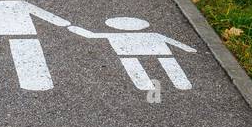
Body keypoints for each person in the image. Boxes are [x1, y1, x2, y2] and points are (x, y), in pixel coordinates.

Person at [66, 17, 196, 90]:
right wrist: (186, 48)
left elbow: (92, 35)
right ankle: (182, 84)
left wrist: (75, 29)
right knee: (170, 66)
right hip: (162, 53)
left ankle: (145, 85)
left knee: (135, 66)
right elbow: (171, 41)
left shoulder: (115, 35)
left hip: (128, 56)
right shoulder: (153, 35)